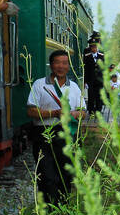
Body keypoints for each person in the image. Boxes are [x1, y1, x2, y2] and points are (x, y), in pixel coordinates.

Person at [26, 49, 85, 204]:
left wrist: (74, 114)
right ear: (51, 65)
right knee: (46, 175)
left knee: (66, 174)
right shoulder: (40, 85)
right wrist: (55, 113)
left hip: (66, 135)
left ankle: (63, 211)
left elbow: (83, 112)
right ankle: (48, 211)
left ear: (68, 66)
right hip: (44, 135)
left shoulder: (74, 87)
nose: (61, 66)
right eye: (57, 62)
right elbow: (31, 111)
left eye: (65, 63)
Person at [82, 33, 106, 117]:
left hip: (99, 80)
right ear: (90, 47)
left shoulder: (101, 56)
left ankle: (99, 110)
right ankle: (91, 110)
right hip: (90, 79)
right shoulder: (87, 56)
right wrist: (85, 81)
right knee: (91, 95)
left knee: (99, 95)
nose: (94, 48)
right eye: (92, 47)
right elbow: (85, 69)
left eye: (95, 47)